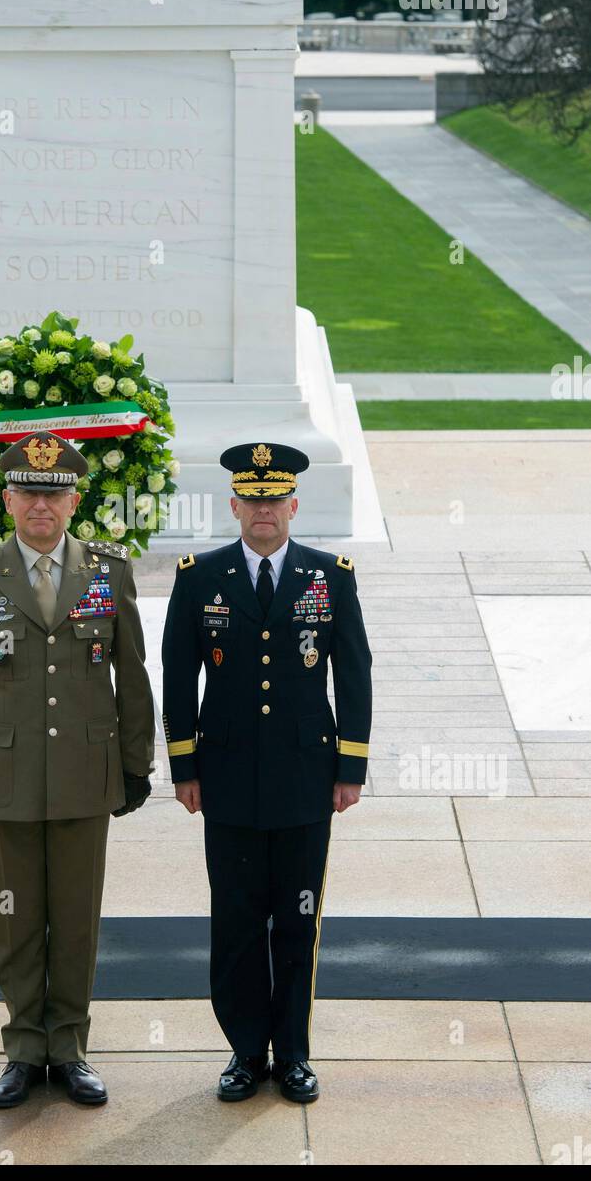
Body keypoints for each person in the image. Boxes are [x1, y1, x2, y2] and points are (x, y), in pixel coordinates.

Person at [0, 430, 155, 1108]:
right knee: (16, 916)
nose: (41, 508)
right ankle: (25, 1048)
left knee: (78, 919)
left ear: (75, 500)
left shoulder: (108, 573)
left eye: (53, 497)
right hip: (7, 776)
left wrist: (136, 761)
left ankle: (72, 1046)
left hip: (86, 773)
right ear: (7, 499)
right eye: (29, 493)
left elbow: (134, 676)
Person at [161, 441, 372, 1104]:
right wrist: (183, 766)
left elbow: (356, 674)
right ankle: (246, 1051)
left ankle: (296, 1053)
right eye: (252, 501)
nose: (263, 512)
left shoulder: (329, 576)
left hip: (307, 777)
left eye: (274, 500)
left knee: (298, 921)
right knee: (237, 920)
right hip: (224, 779)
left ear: (293, 505)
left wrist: (351, 767)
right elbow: (176, 675)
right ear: (234, 506)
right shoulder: (200, 576)